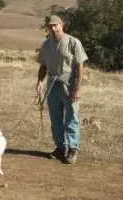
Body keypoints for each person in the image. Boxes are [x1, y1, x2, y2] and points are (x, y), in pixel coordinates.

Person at [36, 15, 88, 164]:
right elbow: (43, 66)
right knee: (55, 118)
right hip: (52, 83)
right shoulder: (46, 44)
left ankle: (72, 149)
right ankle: (60, 147)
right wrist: (40, 81)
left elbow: (79, 67)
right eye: (50, 26)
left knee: (71, 117)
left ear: (62, 25)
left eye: (55, 25)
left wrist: (78, 89)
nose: (53, 29)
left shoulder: (73, 42)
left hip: (69, 83)